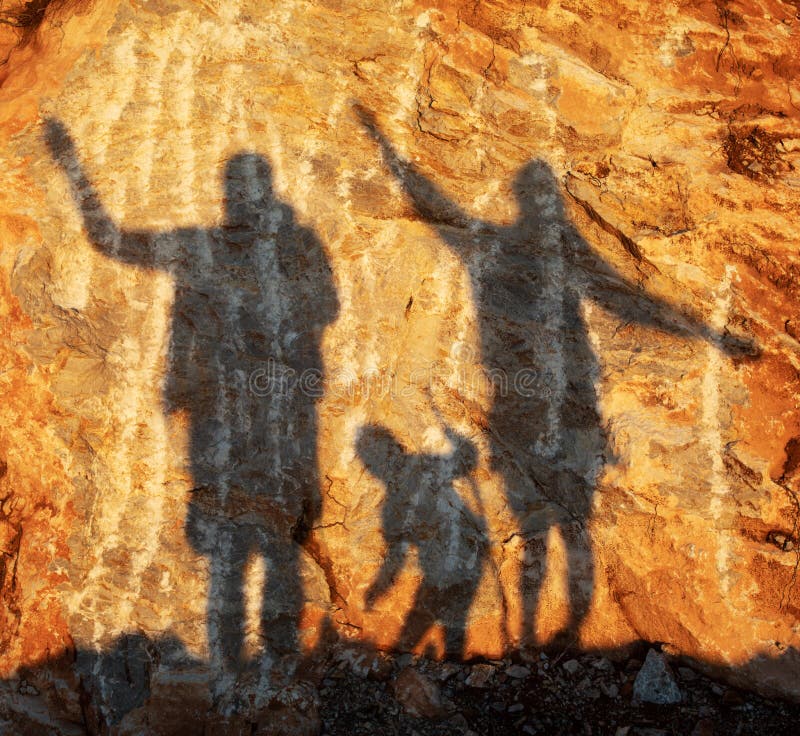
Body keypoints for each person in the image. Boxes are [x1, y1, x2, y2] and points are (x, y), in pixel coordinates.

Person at [355, 104, 753, 648]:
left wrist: (709, 336)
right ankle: (532, 628)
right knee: (545, 525)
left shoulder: (543, 250)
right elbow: (440, 207)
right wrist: (387, 152)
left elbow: (630, 301)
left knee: (563, 525)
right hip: (526, 399)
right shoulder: (519, 248)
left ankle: (556, 627)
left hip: (554, 397)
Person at [45, 119, 339, 681]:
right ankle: (241, 672)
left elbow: (328, 309)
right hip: (225, 412)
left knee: (268, 541)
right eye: (236, 188)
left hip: (271, 411)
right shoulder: (206, 245)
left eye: (251, 188)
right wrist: (74, 168)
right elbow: (111, 240)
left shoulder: (285, 247)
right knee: (228, 546)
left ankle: (272, 672)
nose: (241, 199)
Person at [357, 422, 486, 658]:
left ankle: (449, 665)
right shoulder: (392, 503)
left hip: (462, 557)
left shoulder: (422, 467)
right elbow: (397, 552)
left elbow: (468, 459)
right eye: (368, 461)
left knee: (450, 622)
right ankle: (449, 665)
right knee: (446, 623)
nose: (372, 467)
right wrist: (380, 586)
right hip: (445, 565)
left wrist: (452, 434)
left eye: (371, 459)